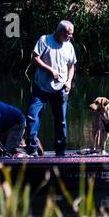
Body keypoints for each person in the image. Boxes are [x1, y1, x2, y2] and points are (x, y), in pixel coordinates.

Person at [27, 20, 78, 156]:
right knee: (32, 116)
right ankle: (31, 150)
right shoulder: (45, 40)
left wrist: (69, 81)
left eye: (71, 35)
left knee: (61, 121)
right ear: (59, 32)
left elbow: (71, 66)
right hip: (41, 88)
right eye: (68, 34)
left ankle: (60, 152)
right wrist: (50, 70)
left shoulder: (69, 46)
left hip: (60, 89)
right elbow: (35, 57)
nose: (70, 37)